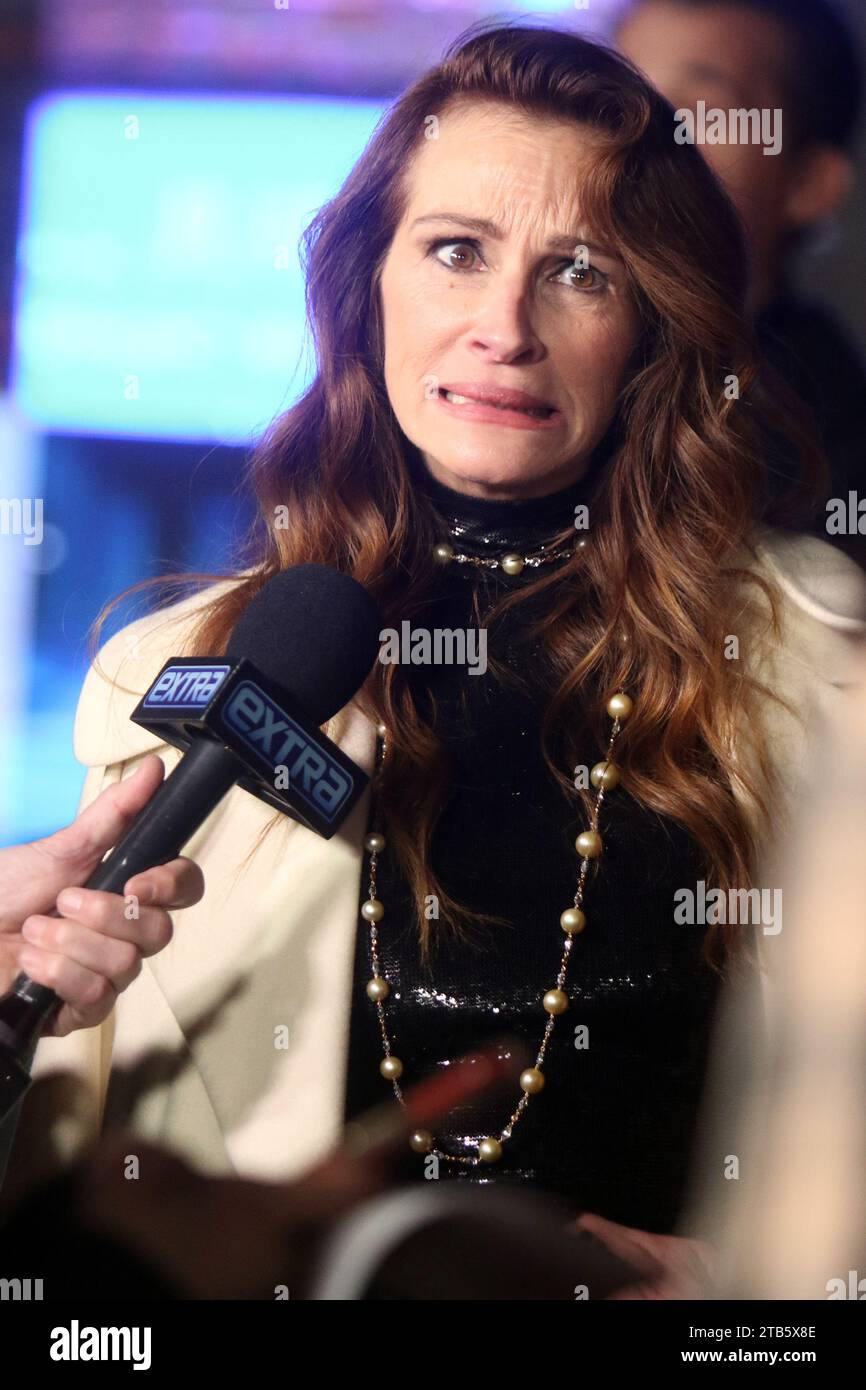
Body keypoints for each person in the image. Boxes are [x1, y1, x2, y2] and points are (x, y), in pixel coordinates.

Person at [2, 21, 866, 1294]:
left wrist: (761, 1294)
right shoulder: (165, 671)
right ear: (371, 288)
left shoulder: (822, 658)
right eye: (454, 251)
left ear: (648, 327)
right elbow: (59, 1216)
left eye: (578, 270)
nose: (502, 326)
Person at [615, 0, 866, 566]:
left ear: (809, 183)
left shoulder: (820, 452)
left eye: (700, 112)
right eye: (614, 97)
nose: (636, 133)